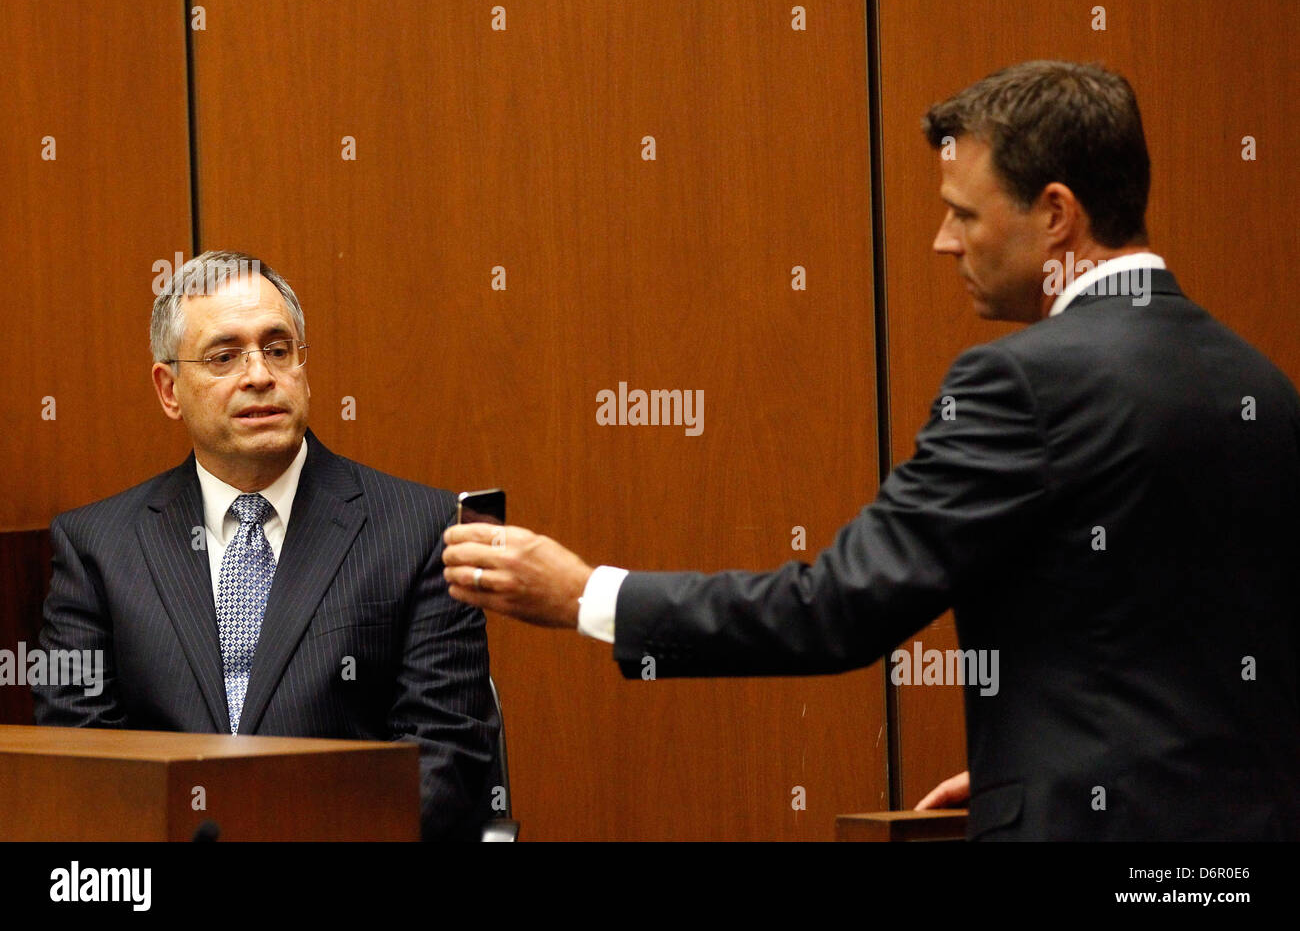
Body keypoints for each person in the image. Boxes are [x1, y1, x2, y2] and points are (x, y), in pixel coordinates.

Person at [441, 61, 1300, 840]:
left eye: (964, 212)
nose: (943, 241)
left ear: (1055, 214)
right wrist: (1040, 766)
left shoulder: (1019, 384)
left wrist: (589, 595)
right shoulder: (1258, 382)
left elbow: (836, 608)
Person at [33, 251, 498, 841]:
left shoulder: (423, 529)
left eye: (278, 349)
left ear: (303, 367)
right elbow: (85, 759)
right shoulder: (96, 546)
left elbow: (444, 760)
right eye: (225, 356)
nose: (259, 375)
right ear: (168, 389)